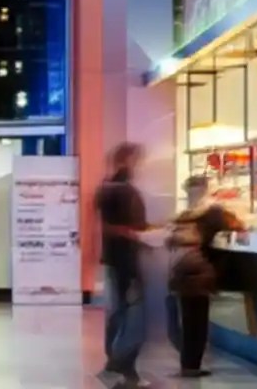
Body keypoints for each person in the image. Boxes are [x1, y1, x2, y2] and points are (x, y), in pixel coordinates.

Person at [167, 176, 244, 378]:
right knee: (198, 320)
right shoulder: (214, 211)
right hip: (201, 268)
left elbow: (169, 240)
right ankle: (193, 365)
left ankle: (187, 363)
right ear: (205, 188)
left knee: (187, 319)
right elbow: (237, 227)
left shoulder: (184, 214)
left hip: (181, 270)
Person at [95, 142, 151, 388]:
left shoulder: (109, 188)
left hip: (117, 259)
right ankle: (119, 366)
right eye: (136, 159)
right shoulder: (118, 190)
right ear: (126, 160)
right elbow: (112, 227)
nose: (139, 165)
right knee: (131, 315)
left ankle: (123, 369)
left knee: (120, 313)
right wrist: (138, 236)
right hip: (124, 261)